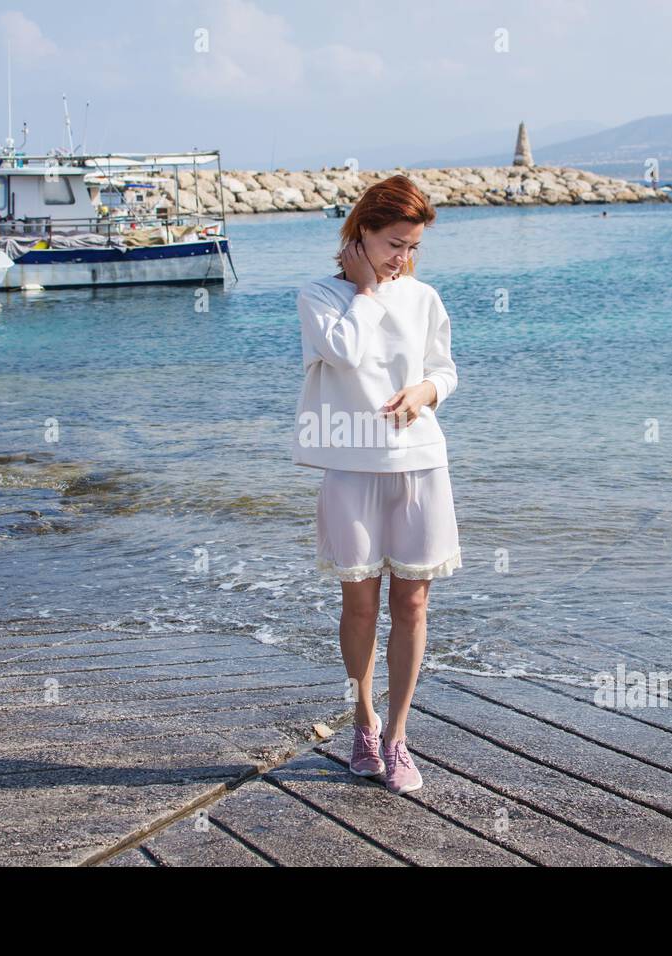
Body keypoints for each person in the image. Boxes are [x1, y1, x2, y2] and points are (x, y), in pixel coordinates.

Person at [291, 174, 460, 796]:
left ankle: (397, 735)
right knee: (359, 605)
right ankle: (362, 725)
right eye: (393, 243)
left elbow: (445, 367)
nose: (403, 258)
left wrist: (427, 390)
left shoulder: (423, 296)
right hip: (352, 469)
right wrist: (365, 289)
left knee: (412, 602)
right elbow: (345, 353)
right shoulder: (320, 296)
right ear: (359, 232)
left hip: (420, 463)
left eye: (412, 246)